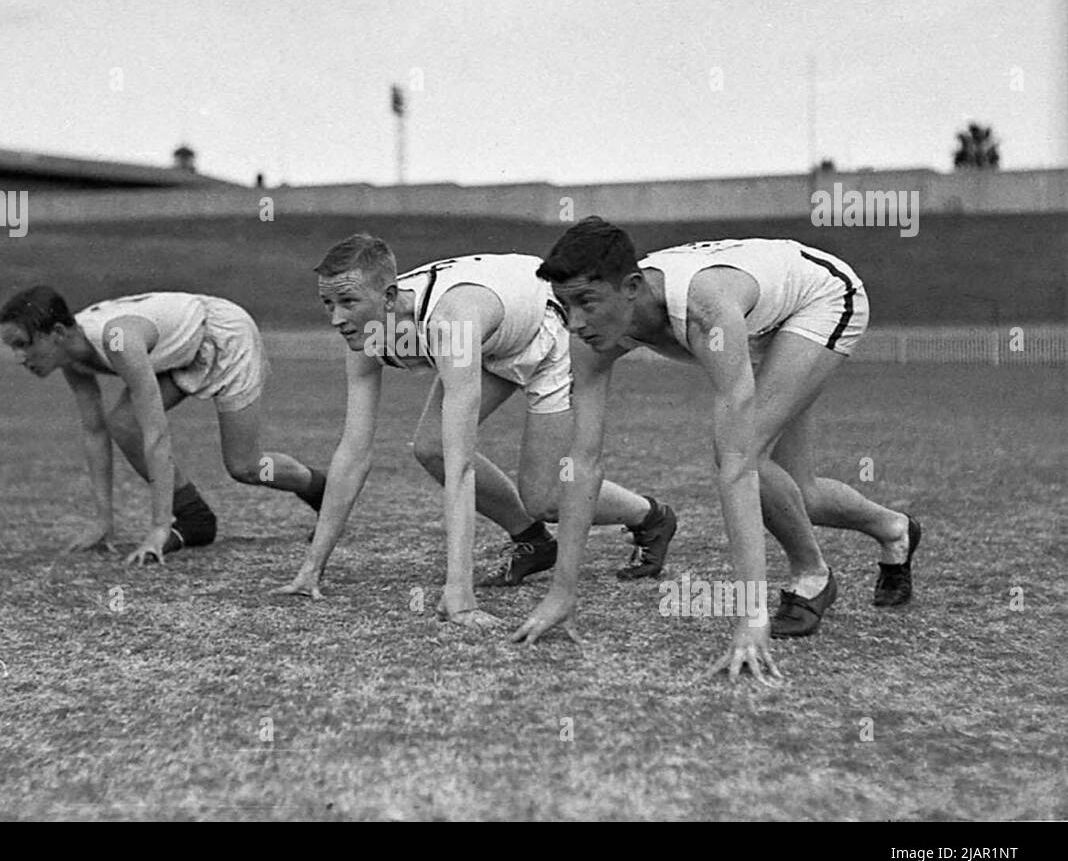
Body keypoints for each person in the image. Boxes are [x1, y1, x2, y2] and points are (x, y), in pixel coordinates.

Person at [512, 220, 920, 681]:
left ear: (631, 287)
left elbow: (735, 468)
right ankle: (894, 530)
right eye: (565, 306)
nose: (576, 322)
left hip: (820, 299)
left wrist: (750, 617)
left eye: (587, 302)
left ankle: (813, 577)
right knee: (798, 492)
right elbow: (582, 462)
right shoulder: (589, 333)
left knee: (746, 454)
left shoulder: (705, 313)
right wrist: (562, 593)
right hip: (762, 311)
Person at [274, 234, 677, 629]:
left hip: (543, 332)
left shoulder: (451, 323)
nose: (336, 319)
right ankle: (532, 541)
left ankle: (650, 516)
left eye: (348, 302)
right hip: (493, 341)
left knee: (544, 497)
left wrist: (460, 594)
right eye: (328, 303)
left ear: (391, 298)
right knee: (431, 447)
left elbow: (462, 465)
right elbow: (353, 451)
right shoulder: (366, 332)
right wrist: (311, 569)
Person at [0, 286, 326, 564]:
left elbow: (156, 431)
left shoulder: (118, 340)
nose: (19, 358)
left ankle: (323, 490)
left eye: (23, 344)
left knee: (245, 466)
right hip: (181, 352)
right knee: (122, 422)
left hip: (222, 333)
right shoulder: (69, 352)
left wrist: (157, 527)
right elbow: (95, 432)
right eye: (13, 348)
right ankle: (194, 517)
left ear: (56, 333)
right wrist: (103, 521)